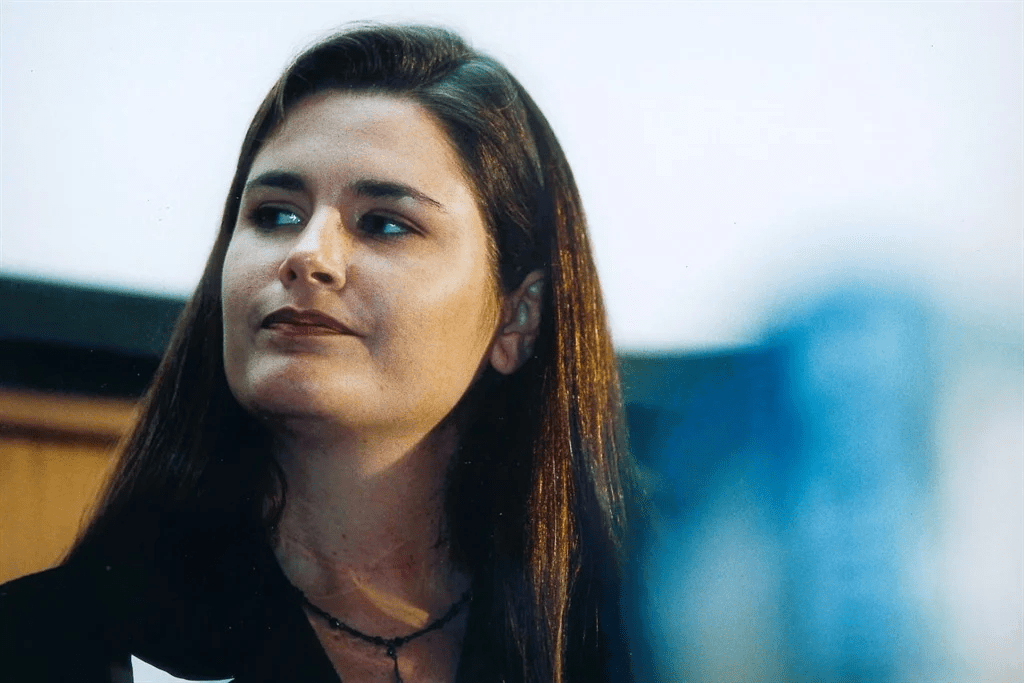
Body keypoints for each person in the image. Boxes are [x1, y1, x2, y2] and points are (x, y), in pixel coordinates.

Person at [1, 23, 634, 683]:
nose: (307, 255)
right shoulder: (42, 644)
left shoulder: (647, 648)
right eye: (275, 214)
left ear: (516, 319)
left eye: (384, 223)